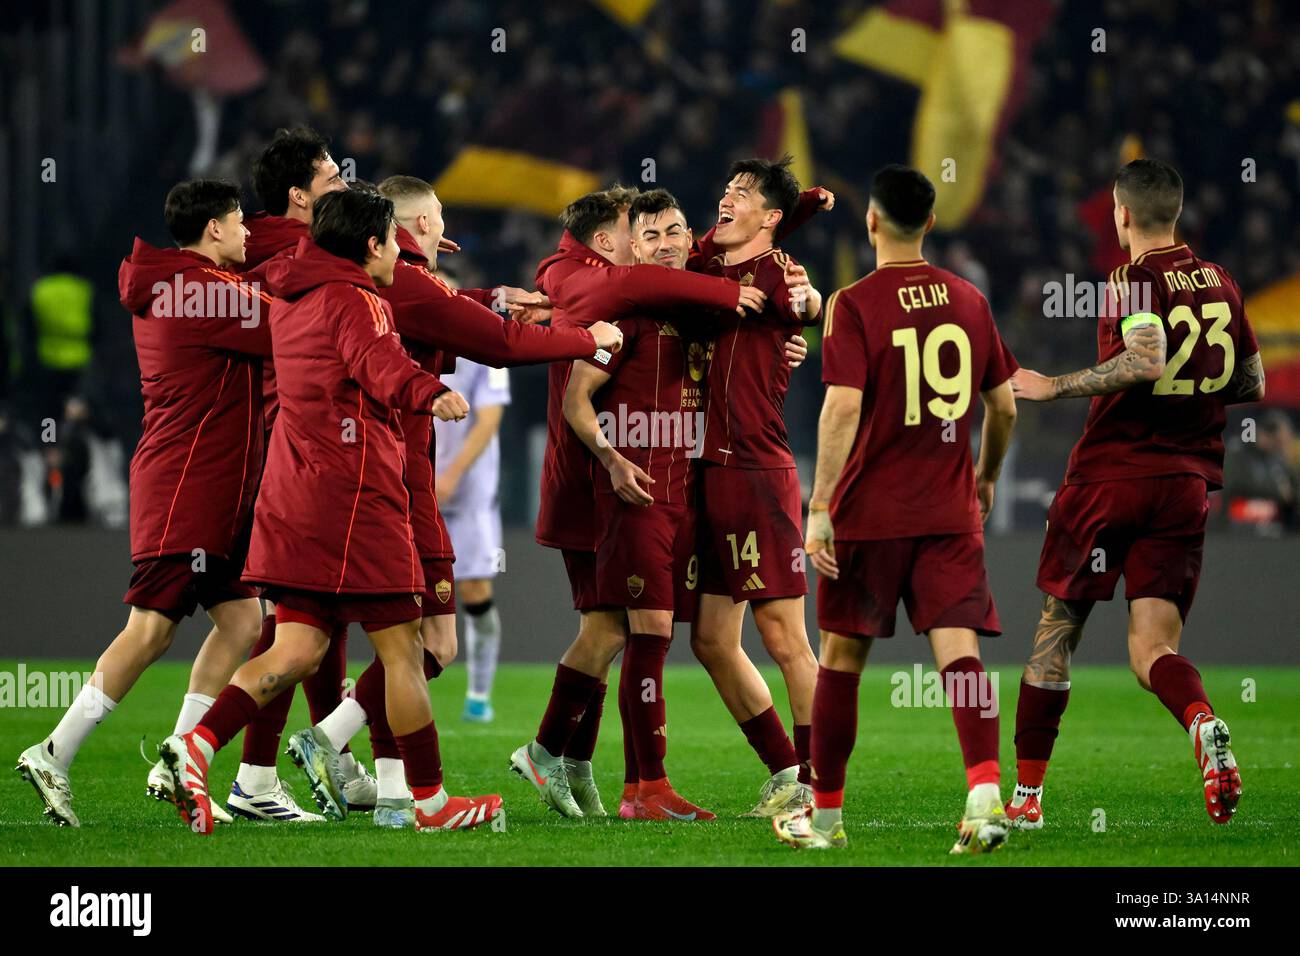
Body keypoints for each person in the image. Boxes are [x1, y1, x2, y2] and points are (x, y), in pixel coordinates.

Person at [157, 189, 504, 835]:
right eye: (393, 242)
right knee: (409, 648)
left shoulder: (290, 291)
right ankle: (426, 800)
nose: (399, 253)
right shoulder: (356, 298)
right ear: (372, 245)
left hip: (294, 493)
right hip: (352, 498)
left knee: (294, 649)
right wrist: (430, 392)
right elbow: (377, 363)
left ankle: (195, 745)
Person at [283, 176, 620, 828]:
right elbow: (499, 344)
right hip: (399, 484)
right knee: (424, 645)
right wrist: (591, 338)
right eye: (434, 220)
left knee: (401, 642)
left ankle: (380, 785)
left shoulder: (395, 281)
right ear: (403, 230)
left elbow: (455, 307)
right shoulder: (397, 282)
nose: (446, 230)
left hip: (392, 479)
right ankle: (331, 756)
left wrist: (494, 296)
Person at [1007, 158, 1262, 829]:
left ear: (1122, 214)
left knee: (1056, 635)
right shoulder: (1222, 282)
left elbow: (1145, 359)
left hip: (1110, 478)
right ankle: (1201, 719)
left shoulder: (1130, 278)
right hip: (1184, 484)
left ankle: (1028, 798)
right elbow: (1251, 384)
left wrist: (1051, 385)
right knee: (1154, 651)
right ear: (1176, 212)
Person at [773, 165, 1018, 853]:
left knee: (841, 661)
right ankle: (984, 790)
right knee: (959, 655)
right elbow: (1002, 404)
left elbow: (844, 404)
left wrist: (818, 505)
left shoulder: (853, 303)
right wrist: (987, 475)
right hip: (949, 512)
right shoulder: (969, 300)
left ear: (871, 221)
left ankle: (824, 820)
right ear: (931, 224)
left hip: (868, 516)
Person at [511, 185, 770, 819]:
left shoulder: (686, 307)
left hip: (678, 491)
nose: (659, 244)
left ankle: (571, 764)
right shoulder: (621, 312)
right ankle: (634, 785)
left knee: (618, 630)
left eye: (672, 233)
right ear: (626, 247)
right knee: (637, 630)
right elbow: (576, 400)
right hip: (626, 494)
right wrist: (612, 458)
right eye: (646, 235)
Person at [17, 180, 270, 828]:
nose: (248, 234)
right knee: (151, 629)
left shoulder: (191, 286)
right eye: (241, 223)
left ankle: (178, 756)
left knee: (243, 622)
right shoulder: (208, 292)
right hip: (185, 487)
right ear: (213, 229)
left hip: (208, 489)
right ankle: (53, 750)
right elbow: (290, 327)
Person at [687, 156, 823, 816]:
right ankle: (785, 769)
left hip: (757, 474)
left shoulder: (777, 273)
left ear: (771, 218)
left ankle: (819, 784)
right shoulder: (709, 269)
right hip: (711, 472)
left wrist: (810, 304)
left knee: (785, 639)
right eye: (726, 187)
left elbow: (806, 302)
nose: (726, 197)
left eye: (741, 192)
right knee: (712, 639)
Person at [433, 357, 510, 723]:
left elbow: (490, 419)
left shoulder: (484, 346)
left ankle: (479, 695)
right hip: (418, 483)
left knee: (476, 590)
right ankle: (406, 690)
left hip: (470, 496)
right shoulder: (409, 329)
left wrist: (450, 476)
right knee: (409, 595)